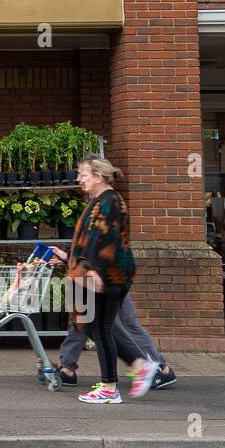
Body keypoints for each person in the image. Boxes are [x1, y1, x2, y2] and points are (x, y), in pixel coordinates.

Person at [65, 155, 159, 403]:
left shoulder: (109, 201)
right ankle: (140, 365)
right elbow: (90, 238)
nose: (79, 179)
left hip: (107, 275)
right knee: (99, 327)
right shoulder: (102, 200)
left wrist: (94, 270)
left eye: (83, 174)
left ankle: (110, 388)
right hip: (103, 273)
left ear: (98, 176)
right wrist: (70, 258)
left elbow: (104, 239)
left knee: (100, 329)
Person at [48, 250, 177, 391]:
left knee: (118, 325)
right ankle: (69, 369)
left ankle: (153, 367)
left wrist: (70, 257)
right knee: (82, 322)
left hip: (104, 275)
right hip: (89, 274)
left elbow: (100, 244)